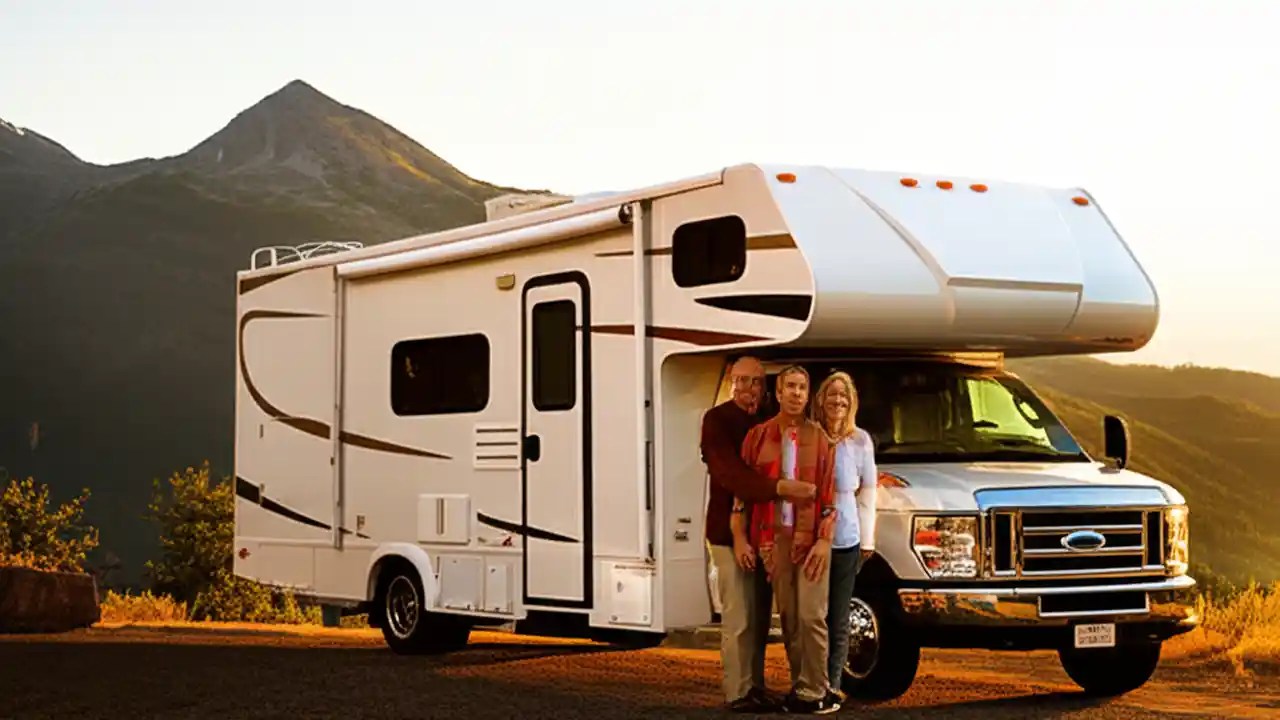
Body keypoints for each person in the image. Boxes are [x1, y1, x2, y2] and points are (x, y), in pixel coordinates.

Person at [701, 356, 816, 713]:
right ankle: (738, 691)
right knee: (740, 616)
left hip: (766, 531)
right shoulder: (717, 421)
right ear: (731, 383)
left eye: (756, 382)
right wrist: (781, 487)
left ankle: (755, 685)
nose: (749, 389)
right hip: (728, 532)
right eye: (742, 381)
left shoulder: (768, 419)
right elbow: (730, 475)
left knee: (761, 616)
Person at [732, 364, 840, 714]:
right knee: (790, 619)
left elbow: (829, 498)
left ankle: (817, 690)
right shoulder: (758, 437)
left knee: (812, 616)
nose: (796, 393)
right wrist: (741, 537)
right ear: (778, 393)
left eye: (802, 388)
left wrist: (824, 541)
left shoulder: (821, 440)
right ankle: (802, 687)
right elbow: (743, 494)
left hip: (811, 541)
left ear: (808, 395)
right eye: (790, 387)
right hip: (772, 539)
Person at [811, 371, 878, 706]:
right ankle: (809, 683)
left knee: (838, 617)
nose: (838, 401)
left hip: (847, 537)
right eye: (832, 394)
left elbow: (868, 492)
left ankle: (832, 686)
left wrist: (867, 540)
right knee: (812, 616)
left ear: (851, 403)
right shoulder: (810, 436)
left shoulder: (860, 440)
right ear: (821, 399)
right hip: (811, 538)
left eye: (844, 396)